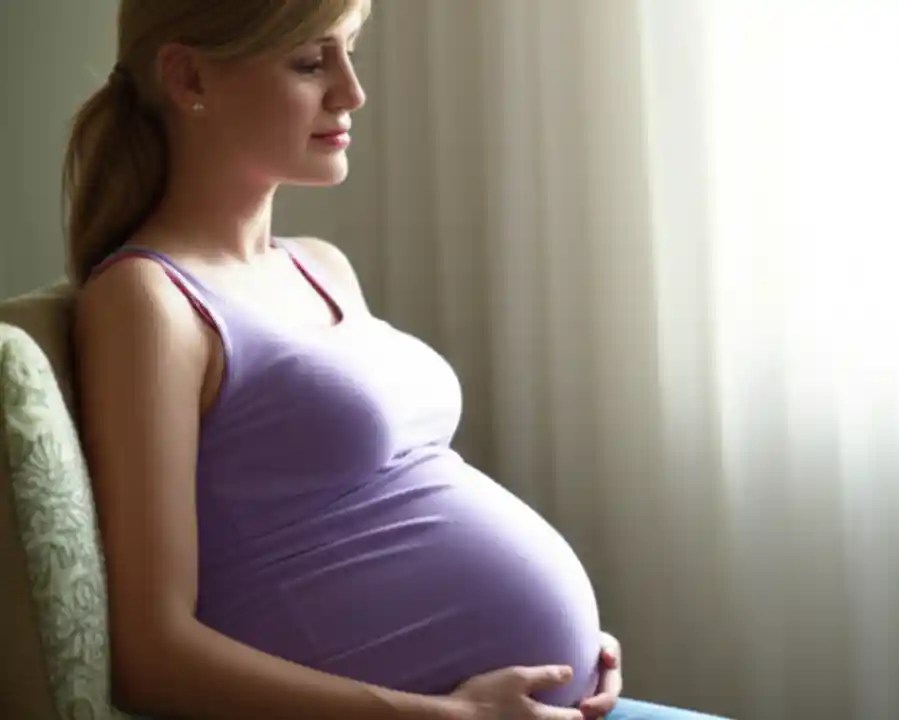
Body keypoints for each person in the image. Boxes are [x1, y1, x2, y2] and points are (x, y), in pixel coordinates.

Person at [66, 2, 725, 718]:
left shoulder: (320, 267)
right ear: (189, 75)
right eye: (312, 62)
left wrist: (567, 641)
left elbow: (388, 505)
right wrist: (451, 716)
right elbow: (149, 656)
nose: (352, 92)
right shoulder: (149, 302)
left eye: (351, 53)